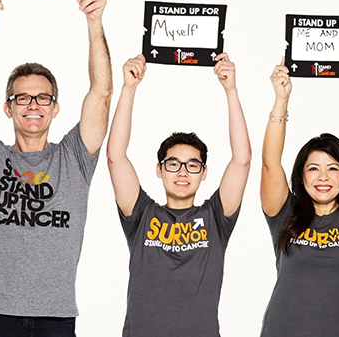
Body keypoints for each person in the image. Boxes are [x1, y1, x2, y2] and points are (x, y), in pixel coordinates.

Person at [0, 0, 111, 336]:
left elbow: (102, 93)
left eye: (42, 98)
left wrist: (95, 22)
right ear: (8, 108)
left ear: (56, 108)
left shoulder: (74, 158)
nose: (32, 105)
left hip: (55, 318)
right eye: (22, 98)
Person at [106, 53, 251, 337]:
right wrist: (129, 88)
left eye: (192, 165)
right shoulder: (142, 215)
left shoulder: (215, 218)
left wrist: (231, 90)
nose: (182, 172)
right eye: (173, 164)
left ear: (204, 172)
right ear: (159, 170)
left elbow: (242, 160)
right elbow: (115, 157)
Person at [259, 58, 339, 336]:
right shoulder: (285, 214)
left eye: (332, 169)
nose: (323, 177)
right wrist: (281, 99)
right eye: (313, 169)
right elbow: (270, 161)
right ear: (301, 176)